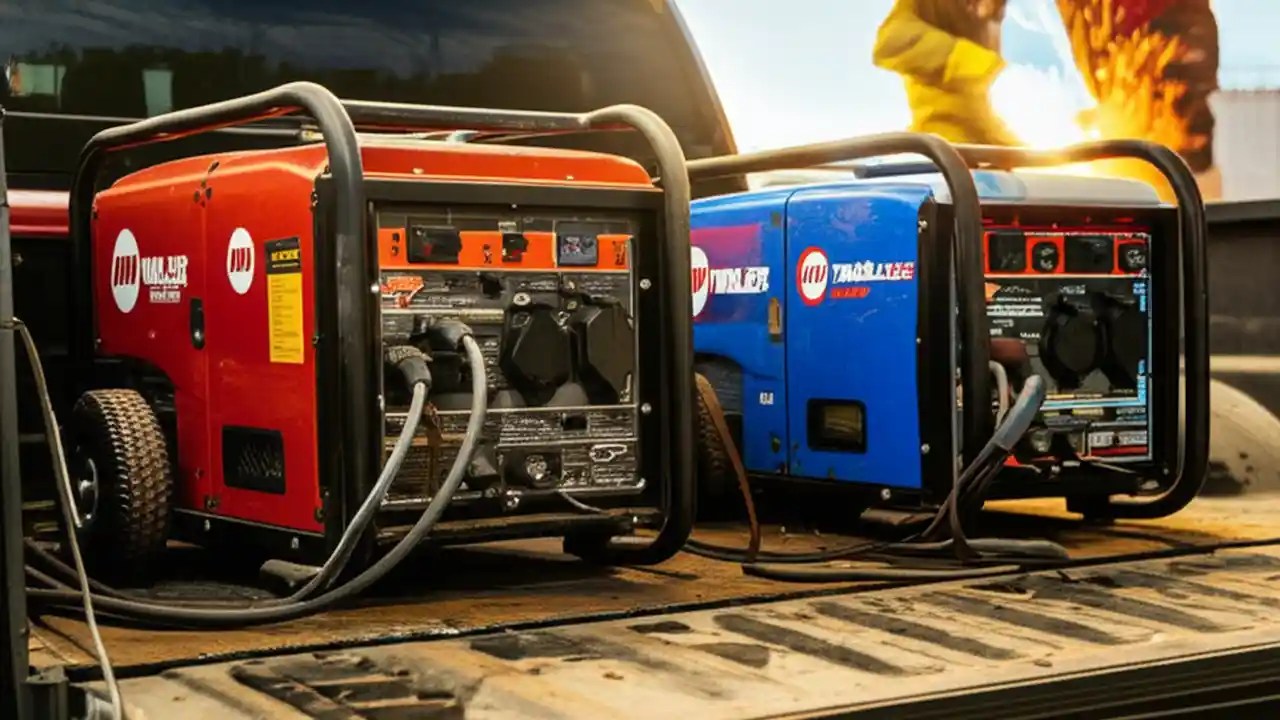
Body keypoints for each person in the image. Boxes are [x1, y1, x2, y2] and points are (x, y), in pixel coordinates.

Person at [873, 0, 1020, 145]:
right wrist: (967, 60)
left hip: (971, 147)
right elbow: (890, 42)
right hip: (938, 145)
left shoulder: (988, 22)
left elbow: (980, 112)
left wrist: (1015, 149)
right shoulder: (925, 6)